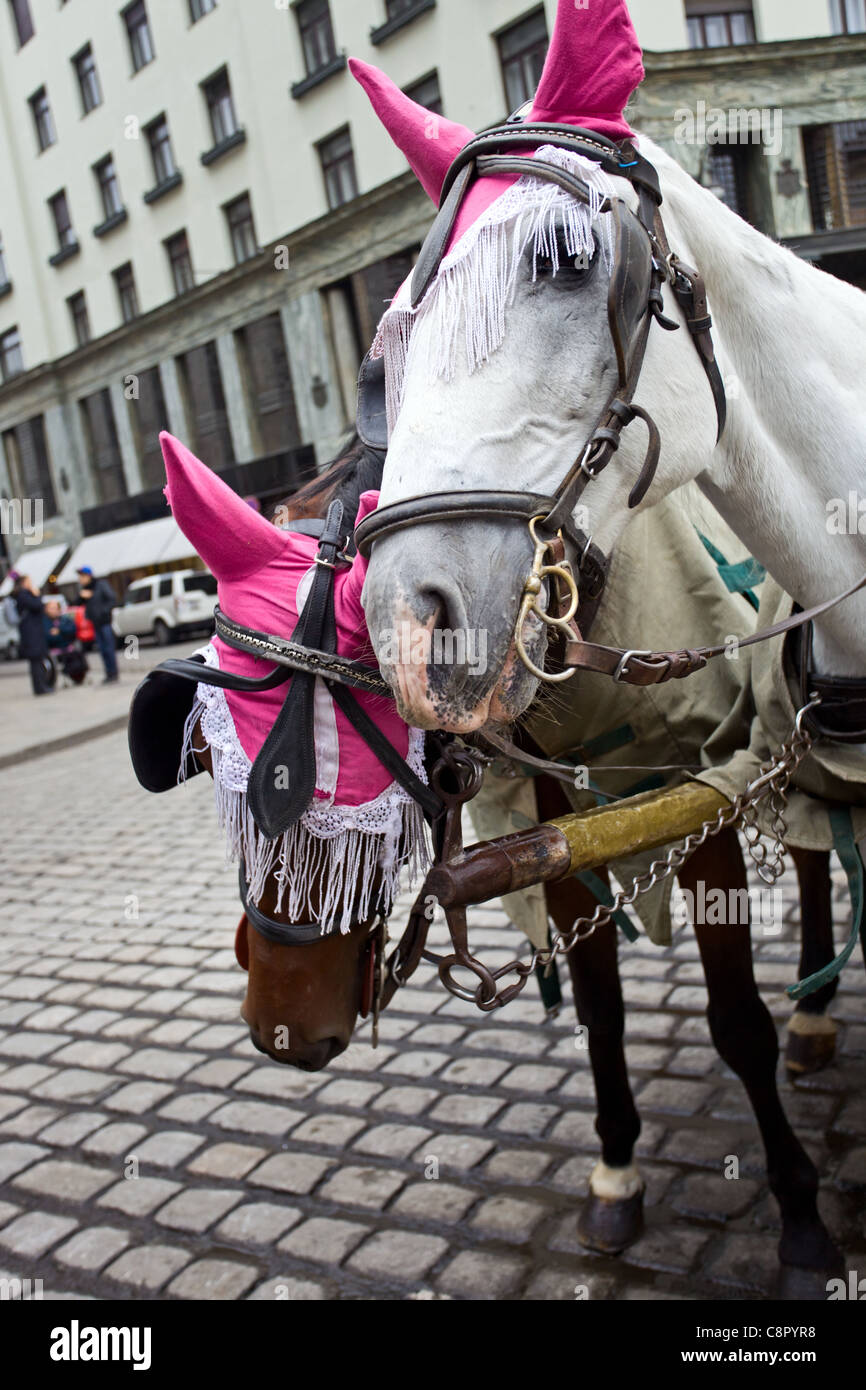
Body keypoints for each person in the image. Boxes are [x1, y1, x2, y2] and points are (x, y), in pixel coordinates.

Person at [77, 566, 118, 683]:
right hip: (95, 623)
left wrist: (103, 613)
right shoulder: (85, 589)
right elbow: (77, 603)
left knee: (108, 648)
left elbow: (112, 599)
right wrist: (82, 596)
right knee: (102, 649)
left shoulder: (100, 585)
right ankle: (108, 673)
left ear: (88, 576)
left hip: (104, 622)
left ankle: (114, 673)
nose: (80, 579)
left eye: (82, 576)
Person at [14, 574, 53, 696]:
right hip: (32, 634)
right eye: (29, 581)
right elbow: (37, 606)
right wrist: (37, 595)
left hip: (32, 633)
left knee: (37, 661)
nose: (31, 583)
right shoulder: (24, 595)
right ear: (24, 583)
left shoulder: (23, 596)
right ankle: (40, 688)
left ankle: (42, 686)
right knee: (36, 662)